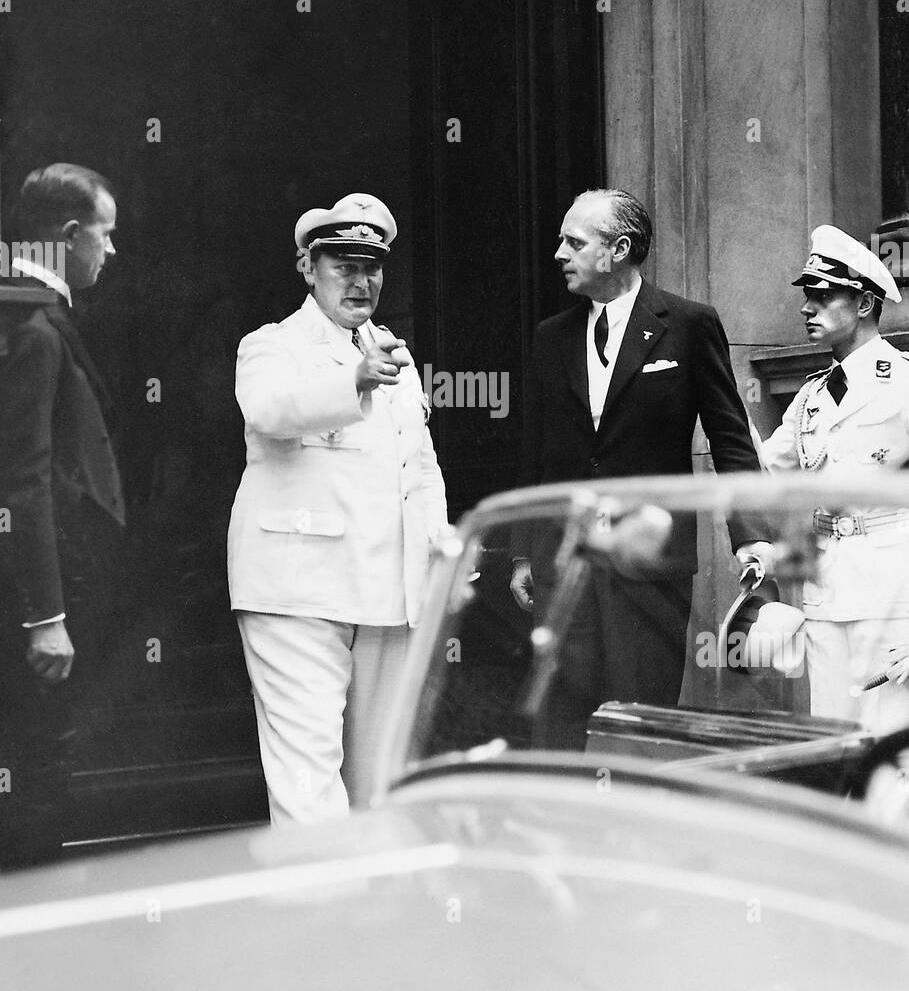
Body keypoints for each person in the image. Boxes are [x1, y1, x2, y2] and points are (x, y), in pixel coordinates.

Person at [510, 187, 768, 744]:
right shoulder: (551, 337)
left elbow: (729, 436)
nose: (559, 253)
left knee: (640, 725)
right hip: (566, 565)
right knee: (560, 726)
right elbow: (537, 451)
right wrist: (524, 551)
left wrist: (750, 535)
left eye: (575, 242)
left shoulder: (689, 324)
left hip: (650, 569)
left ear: (619, 249)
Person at [228, 193, 447, 823]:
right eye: (344, 266)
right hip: (298, 590)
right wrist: (353, 378)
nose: (361, 281)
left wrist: (441, 548)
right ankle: (319, 892)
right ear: (308, 267)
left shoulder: (393, 352)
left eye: (371, 267)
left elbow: (418, 466)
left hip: (391, 592)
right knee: (309, 787)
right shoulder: (271, 345)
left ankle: (371, 890)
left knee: (382, 781)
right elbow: (269, 410)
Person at [0, 164, 124, 868]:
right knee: (39, 766)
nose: (112, 251)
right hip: (31, 598)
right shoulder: (35, 329)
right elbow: (25, 479)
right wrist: (45, 616)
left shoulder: (25, 312)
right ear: (71, 234)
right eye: (106, 235)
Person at [760, 225, 909, 734]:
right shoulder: (811, 397)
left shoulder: (904, 383)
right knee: (832, 745)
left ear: (864, 304)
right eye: (808, 296)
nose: (808, 308)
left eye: (823, 296)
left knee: (893, 753)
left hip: (895, 599)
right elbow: (762, 474)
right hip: (827, 594)